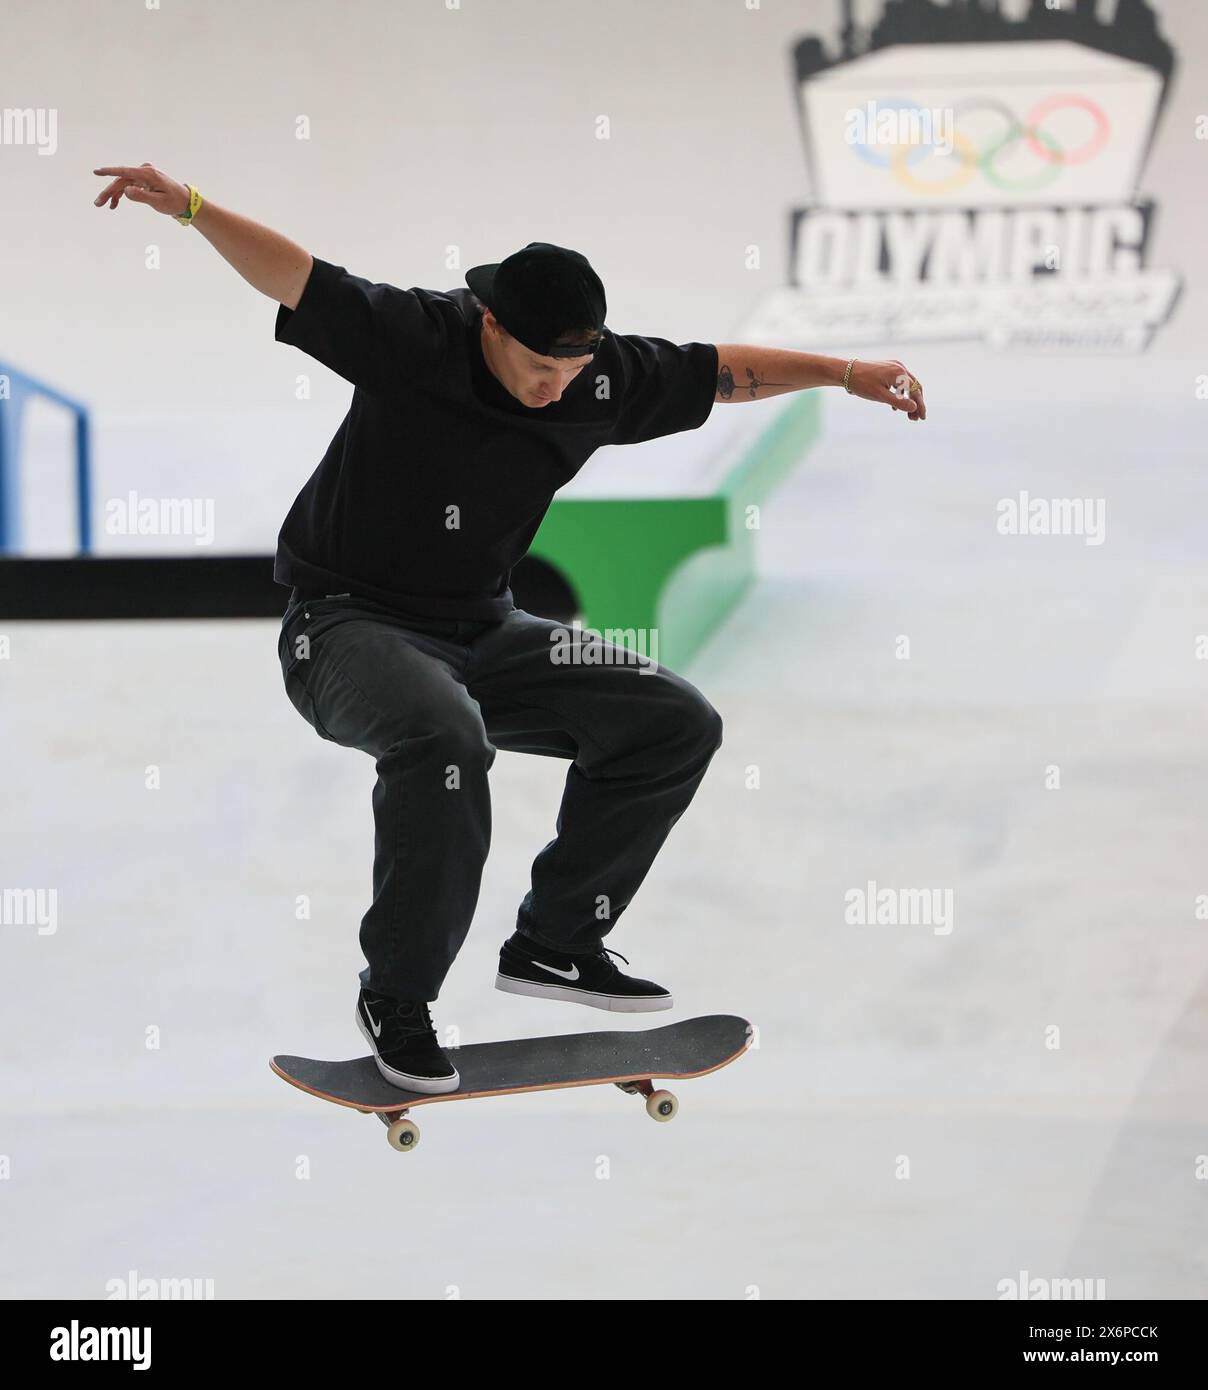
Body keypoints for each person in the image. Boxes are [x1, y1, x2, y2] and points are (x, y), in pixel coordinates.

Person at [93, 163, 927, 1094]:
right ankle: (397, 998)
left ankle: (558, 942)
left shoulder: (597, 381)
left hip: (486, 632)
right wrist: (196, 211)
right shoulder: (415, 336)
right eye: (538, 367)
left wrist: (846, 372)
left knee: (673, 719)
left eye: (572, 371)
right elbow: (296, 275)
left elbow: (723, 372)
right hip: (342, 629)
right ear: (491, 324)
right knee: (444, 738)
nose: (553, 390)